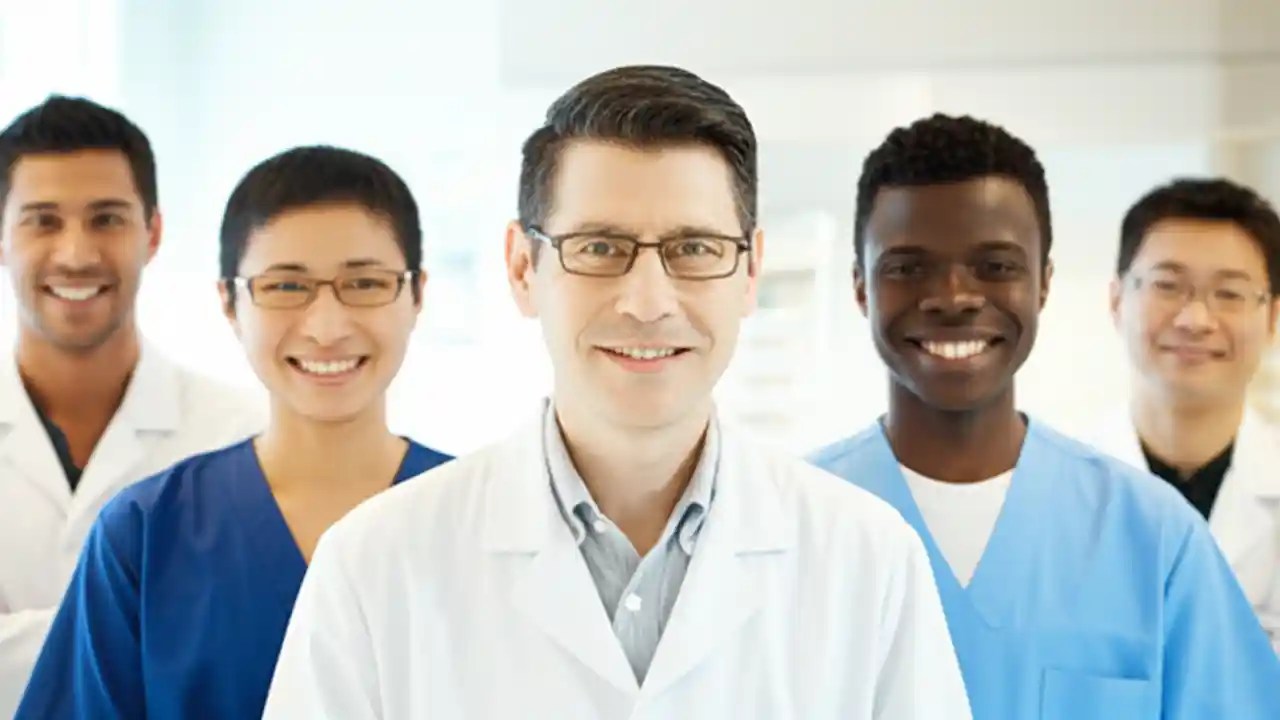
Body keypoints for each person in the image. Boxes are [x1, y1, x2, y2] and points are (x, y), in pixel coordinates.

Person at [261, 65, 969, 719]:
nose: (648, 301)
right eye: (599, 248)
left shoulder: (868, 561)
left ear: (749, 271)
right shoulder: (375, 564)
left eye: (694, 249)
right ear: (521, 267)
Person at [810, 114, 1280, 719]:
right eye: (907, 267)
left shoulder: (1156, 536)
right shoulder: (787, 525)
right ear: (860, 288)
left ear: (1043, 285)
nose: (953, 297)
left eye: (996, 266)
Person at [14, 145, 453, 719]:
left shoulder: (485, 519)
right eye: (286, 287)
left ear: (417, 293)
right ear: (228, 301)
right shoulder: (144, 536)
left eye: (365, 283)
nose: (325, 327)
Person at [0, 95, 263, 716]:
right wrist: (150, 628)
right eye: (42, 220)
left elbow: (249, 656)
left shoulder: (244, 438)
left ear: (153, 234)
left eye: (107, 219)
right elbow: (196, 652)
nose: (76, 253)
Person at [1085, 178, 1280, 653]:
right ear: (1117, 301)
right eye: (1167, 286)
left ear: (1273, 317)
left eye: (1230, 293)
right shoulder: (1044, 487)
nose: (1195, 319)